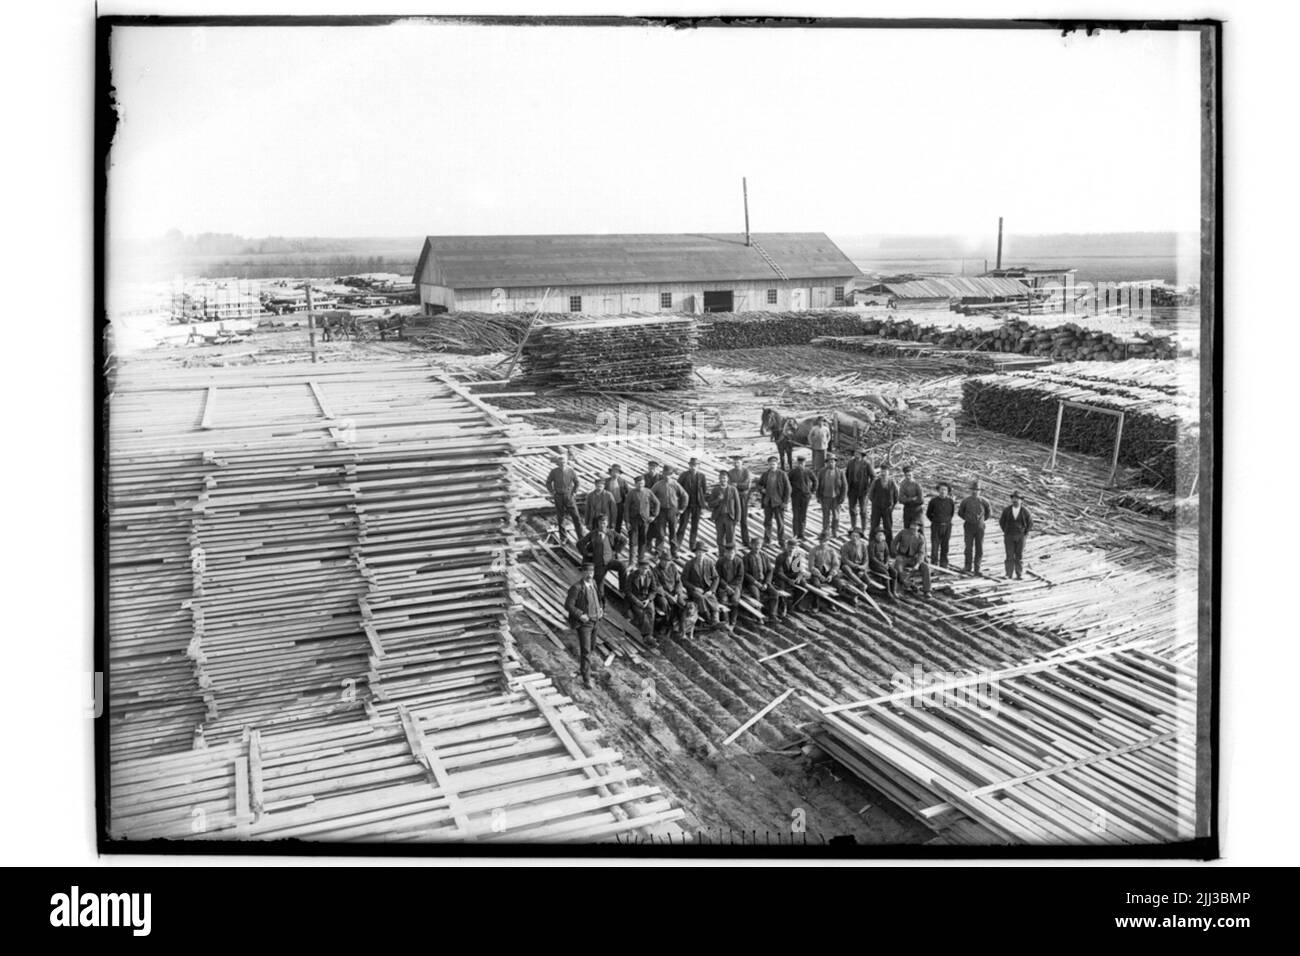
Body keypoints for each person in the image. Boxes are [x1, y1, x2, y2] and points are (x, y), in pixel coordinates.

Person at [563, 562, 603, 687]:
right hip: (585, 623)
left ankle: (586, 669)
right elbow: (568, 605)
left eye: (591, 572)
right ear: (582, 573)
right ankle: (586, 679)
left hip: (595, 621)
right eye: (587, 572)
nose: (590, 574)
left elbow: (598, 599)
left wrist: (600, 609)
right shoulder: (576, 588)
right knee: (586, 650)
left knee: (591, 647)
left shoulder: (594, 584)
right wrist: (580, 615)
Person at [576, 514, 628, 605]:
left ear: (607, 523)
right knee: (599, 588)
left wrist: (616, 551)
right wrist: (587, 553)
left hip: (609, 561)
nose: (602, 525)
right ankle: (601, 605)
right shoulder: (593, 534)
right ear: (598, 524)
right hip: (598, 564)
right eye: (600, 523)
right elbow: (580, 543)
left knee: (622, 566)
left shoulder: (611, 533)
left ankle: (623, 588)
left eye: (604, 523)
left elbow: (624, 540)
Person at [650, 465, 688, 557]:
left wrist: (682, 509)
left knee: (673, 532)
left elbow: (685, 495)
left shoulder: (675, 484)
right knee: (661, 532)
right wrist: (653, 510)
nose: (667, 476)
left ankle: (674, 551)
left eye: (669, 474)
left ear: (671, 475)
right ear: (662, 474)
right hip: (661, 511)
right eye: (665, 474)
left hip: (673, 511)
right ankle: (659, 551)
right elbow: (650, 496)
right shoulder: (658, 485)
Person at [545, 453, 585, 542]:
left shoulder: (571, 471)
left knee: (576, 516)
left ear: (566, 461)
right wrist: (552, 492)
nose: (562, 462)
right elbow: (548, 482)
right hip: (558, 496)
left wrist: (574, 492)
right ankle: (563, 538)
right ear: (558, 462)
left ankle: (581, 537)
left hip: (569, 496)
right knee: (561, 517)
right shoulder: (554, 472)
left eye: (564, 460)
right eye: (560, 460)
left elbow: (577, 482)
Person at [681, 543, 721, 629]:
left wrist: (711, 590)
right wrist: (695, 588)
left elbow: (716, 578)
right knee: (701, 598)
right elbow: (684, 580)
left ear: (705, 553)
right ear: (695, 553)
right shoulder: (689, 564)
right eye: (698, 552)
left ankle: (716, 621)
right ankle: (708, 619)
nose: (699, 554)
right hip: (694, 590)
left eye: (701, 552)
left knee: (712, 598)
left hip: (706, 588)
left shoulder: (709, 562)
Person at [957, 480, 992, 575]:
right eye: (973, 489)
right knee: (968, 547)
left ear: (980, 491)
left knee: (979, 547)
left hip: (980, 527)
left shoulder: (985, 501)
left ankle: (977, 568)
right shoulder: (966, 501)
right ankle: (967, 566)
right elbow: (960, 513)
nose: (975, 491)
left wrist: (981, 521)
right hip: (968, 526)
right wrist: (968, 519)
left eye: (977, 490)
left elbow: (988, 514)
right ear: (970, 490)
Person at [625, 552, 659, 645]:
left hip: (646, 598)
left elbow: (654, 590)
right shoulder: (632, 576)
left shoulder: (650, 575)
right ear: (638, 567)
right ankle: (647, 637)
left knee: (651, 612)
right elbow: (628, 592)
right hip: (635, 599)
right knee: (642, 614)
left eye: (646, 569)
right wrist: (636, 601)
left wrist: (648, 600)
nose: (645, 571)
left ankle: (649, 636)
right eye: (643, 568)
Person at [623, 474, 660, 561]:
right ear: (635, 484)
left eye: (642, 483)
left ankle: (641, 559)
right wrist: (627, 522)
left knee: (643, 539)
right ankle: (632, 560)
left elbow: (657, 503)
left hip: (645, 520)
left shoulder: (648, 492)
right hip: (633, 521)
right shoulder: (631, 493)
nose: (641, 485)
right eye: (639, 483)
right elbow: (626, 508)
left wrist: (654, 515)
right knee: (633, 541)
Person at [743, 537, 779, 623]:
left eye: (759, 544)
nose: (757, 547)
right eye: (755, 545)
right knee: (756, 595)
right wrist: (756, 583)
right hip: (753, 583)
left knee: (775, 594)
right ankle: (759, 616)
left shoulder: (764, 556)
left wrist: (766, 583)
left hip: (764, 582)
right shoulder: (746, 557)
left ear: (761, 545)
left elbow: (770, 570)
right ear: (751, 545)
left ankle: (772, 615)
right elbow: (745, 573)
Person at [653, 548, 687, 637]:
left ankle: (682, 629)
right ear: (660, 560)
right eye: (663, 560)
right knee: (664, 604)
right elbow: (658, 587)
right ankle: (666, 625)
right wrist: (669, 597)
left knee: (682, 604)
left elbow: (678, 582)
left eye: (667, 561)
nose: (665, 563)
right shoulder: (655, 570)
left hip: (674, 593)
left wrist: (678, 593)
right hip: (662, 594)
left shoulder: (673, 567)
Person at [892, 520, 932, 597]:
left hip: (914, 559)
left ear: (919, 527)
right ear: (910, 525)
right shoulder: (903, 532)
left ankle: (927, 590)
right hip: (902, 557)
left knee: (926, 567)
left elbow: (921, 553)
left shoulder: (921, 538)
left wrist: (917, 564)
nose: (914, 527)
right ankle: (910, 585)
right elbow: (894, 543)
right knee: (898, 568)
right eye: (913, 525)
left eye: (916, 525)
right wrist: (895, 554)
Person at [758, 455, 792, 545]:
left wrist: (785, 502)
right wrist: (761, 489)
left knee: (780, 523)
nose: (772, 466)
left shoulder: (782, 474)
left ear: (777, 464)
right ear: (768, 465)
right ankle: (767, 539)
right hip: (768, 502)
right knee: (767, 522)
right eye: (770, 464)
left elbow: (788, 489)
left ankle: (781, 540)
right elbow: (759, 484)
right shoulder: (765, 474)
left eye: (774, 464)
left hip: (778, 503)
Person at [999, 491, 1033, 580]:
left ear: (1021, 501)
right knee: (1009, 555)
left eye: (1017, 499)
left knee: (1019, 556)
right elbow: (1002, 522)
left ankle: (1019, 574)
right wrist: (1006, 531)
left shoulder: (1025, 511)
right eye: (1013, 498)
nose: (1015, 500)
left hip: (1020, 536)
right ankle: (1008, 574)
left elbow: (1030, 524)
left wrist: (1024, 534)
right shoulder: (1007, 510)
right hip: (1009, 536)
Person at [678, 457, 710, 550]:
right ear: (689, 466)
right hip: (686, 505)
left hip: (697, 505)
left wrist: (701, 501)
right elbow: (678, 488)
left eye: (695, 465)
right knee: (682, 526)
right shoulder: (684, 475)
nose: (693, 467)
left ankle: (692, 546)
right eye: (691, 465)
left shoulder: (702, 476)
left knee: (694, 526)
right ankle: (677, 546)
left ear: (698, 466)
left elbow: (704, 490)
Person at [774, 537, 810, 619]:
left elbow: (800, 569)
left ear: (796, 548)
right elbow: (779, 572)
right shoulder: (780, 557)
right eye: (789, 547)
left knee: (803, 583)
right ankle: (783, 605)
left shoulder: (797, 556)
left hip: (792, 576)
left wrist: (799, 576)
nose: (791, 550)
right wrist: (788, 580)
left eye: (793, 548)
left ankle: (795, 604)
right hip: (782, 577)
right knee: (782, 586)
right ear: (786, 547)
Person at [707, 468, 742, 551]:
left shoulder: (733, 490)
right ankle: (722, 554)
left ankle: (732, 553)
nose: (723, 480)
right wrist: (718, 499)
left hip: (730, 517)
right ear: (719, 479)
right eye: (721, 478)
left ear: (728, 479)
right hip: (719, 517)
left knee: (731, 537)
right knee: (720, 538)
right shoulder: (715, 490)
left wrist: (737, 518)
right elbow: (710, 504)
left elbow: (738, 505)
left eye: (724, 478)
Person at [808, 530, 843, 612]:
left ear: (828, 541)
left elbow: (836, 565)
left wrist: (831, 575)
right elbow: (811, 566)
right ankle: (815, 605)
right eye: (821, 541)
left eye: (824, 541)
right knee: (816, 585)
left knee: (839, 584)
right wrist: (819, 575)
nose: (822, 543)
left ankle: (833, 603)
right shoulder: (814, 550)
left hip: (828, 572)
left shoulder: (832, 551)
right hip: (817, 572)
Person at [868, 464, 899, 550]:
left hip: (887, 509)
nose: (883, 473)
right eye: (882, 471)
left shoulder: (892, 483)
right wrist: (875, 502)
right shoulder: (876, 482)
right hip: (876, 508)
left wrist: (891, 506)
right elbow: (870, 495)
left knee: (888, 528)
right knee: (874, 526)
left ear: (888, 472)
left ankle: (889, 547)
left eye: (885, 471)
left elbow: (896, 496)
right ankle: (871, 546)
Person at [715, 542, 745, 630]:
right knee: (723, 601)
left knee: (735, 600)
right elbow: (717, 577)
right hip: (723, 587)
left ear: (735, 552)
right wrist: (726, 587)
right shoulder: (720, 562)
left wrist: (732, 587)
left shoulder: (739, 561)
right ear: (725, 553)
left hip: (735, 586)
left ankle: (733, 622)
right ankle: (726, 622)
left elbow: (740, 576)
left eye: (732, 553)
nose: (730, 555)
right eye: (728, 553)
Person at [845, 447, 876, 533]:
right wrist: (847, 487)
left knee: (863, 510)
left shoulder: (866, 464)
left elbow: (873, 477)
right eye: (855, 452)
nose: (856, 454)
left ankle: (863, 529)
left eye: (858, 453)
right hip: (852, 489)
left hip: (863, 490)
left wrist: (869, 488)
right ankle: (853, 527)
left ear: (862, 455)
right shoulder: (851, 463)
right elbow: (846, 475)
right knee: (852, 509)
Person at [816, 453, 847, 537]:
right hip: (825, 497)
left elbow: (844, 486)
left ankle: (834, 530)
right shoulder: (822, 472)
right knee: (826, 516)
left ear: (835, 462)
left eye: (833, 462)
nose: (831, 463)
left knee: (836, 516)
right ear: (827, 463)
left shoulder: (840, 472)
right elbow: (817, 485)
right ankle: (825, 531)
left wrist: (842, 497)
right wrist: (818, 496)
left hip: (836, 498)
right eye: (829, 462)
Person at [787, 453, 817, 540]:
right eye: (799, 462)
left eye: (802, 462)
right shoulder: (792, 472)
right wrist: (790, 492)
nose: (801, 464)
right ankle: (795, 533)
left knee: (803, 515)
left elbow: (815, 481)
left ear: (805, 463)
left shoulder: (808, 471)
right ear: (797, 463)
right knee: (796, 515)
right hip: (795, 496)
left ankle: (802, 533)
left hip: (805, 496)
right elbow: (787, 483)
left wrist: (812, 491)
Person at [926, 482, 956, 568]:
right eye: (941, 489)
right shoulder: (933, 501)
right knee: (935, 546)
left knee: (945, 546)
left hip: (947, 526)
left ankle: (944, 564)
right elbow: (928, 514)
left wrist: (946, 521)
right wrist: (936, 521)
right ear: (938, 491)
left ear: (948, 492)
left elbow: (952, 513)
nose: (943, 491)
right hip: (936, 526)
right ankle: (934, 564)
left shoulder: (950, 502)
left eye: (945, 490)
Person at [727, 454, 753, 548]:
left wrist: (736, 485)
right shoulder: (730, 472)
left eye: (738, 462)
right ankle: (730, 541)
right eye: (735, 462)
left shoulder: (746, 472)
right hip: (733, 498)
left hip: (743, 498)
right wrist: (735, 486)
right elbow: (728, 485)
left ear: (742, 462)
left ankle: (746, 541)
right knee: (732, 518)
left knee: (743, 520)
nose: (736, 464)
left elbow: (746, 485)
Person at [839, 527, 871, 596]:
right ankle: (861, 584)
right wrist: (855, 566)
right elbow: (845, 559)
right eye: (853, 536)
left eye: (857, 536)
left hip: (859, 567)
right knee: (846, 568)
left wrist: (862, 569)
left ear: (860, 537)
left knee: (868, 581)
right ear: (850, 536)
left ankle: (862, 590)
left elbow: (866, 560)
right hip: (850, 566)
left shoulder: (863, 546)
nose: (854, 538)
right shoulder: (846, 545)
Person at [867, 529, 896, 597]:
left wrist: (886, 563)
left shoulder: (884, 543)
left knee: (894, 572)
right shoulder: (872, 544)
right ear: (875, 536)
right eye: (879, 535)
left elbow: (887, 554)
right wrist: (882, 565)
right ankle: (888, 592)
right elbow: (872, 557)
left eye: (882, 535)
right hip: (874, 565)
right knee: (885, 573)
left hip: (883, 563)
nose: (880, 536)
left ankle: (893, 590)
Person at [605, 464, 631, 535]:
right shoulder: (606, 481)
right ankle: (609, 538)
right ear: (610, 473)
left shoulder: (623, 482)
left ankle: (617, 538)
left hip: (619, 504)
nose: (615, 474)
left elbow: (628, 492)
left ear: (619, 474)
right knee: (609, 522)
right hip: (609, 505)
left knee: (618, 522)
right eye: (613, 472)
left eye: (617, 472)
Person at [898, 464, 924, 532]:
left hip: (917, 510)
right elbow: (900, 499)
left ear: (913, 474)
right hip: (907, 510)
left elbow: (921, 500)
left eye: (910, 475)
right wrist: (912, 499)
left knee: (919, 530)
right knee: (907, 529)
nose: (908, 477)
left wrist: (907, 499)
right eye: (906, 475)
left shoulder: (917, 484)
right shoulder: (903, 484)